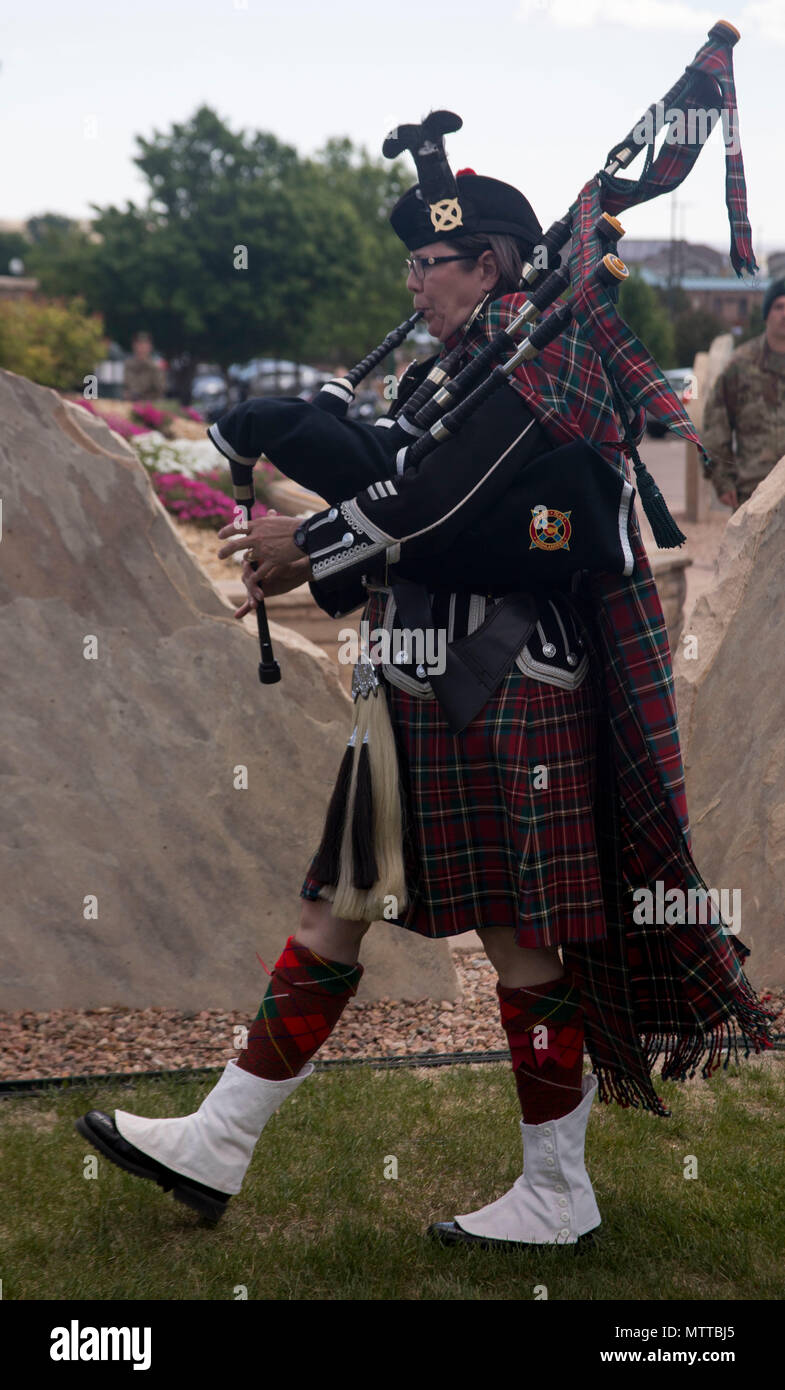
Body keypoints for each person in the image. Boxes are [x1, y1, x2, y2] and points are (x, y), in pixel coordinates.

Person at [76, 141, 775, 1250]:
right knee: (335, 906)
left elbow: (450, 510)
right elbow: (403, 503)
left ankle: (555, 1188)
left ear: (492, 268)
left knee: (517, 937)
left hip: (502, 688)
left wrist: (304, 540)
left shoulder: (538, 373)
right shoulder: (450, 379)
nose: (413, 279)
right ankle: (219, 1138)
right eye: (409, 261)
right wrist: (311, 507)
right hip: (409, 686)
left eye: (434, 259)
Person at [702, 278, 785, 510]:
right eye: (779, 306)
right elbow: (715, 424)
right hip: (754, 491)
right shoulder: (740, 365)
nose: (784, 314)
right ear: (767, 314)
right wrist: (722, 478)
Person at [123, 331, 166, 402]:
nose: (141, 348)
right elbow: (123, 387)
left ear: (150, 347)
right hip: (130, 403)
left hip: (151, 404)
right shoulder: (127, 365)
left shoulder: (156, 366)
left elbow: (161, 388)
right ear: (134, 346)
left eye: (145, 345)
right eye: (139, 344)